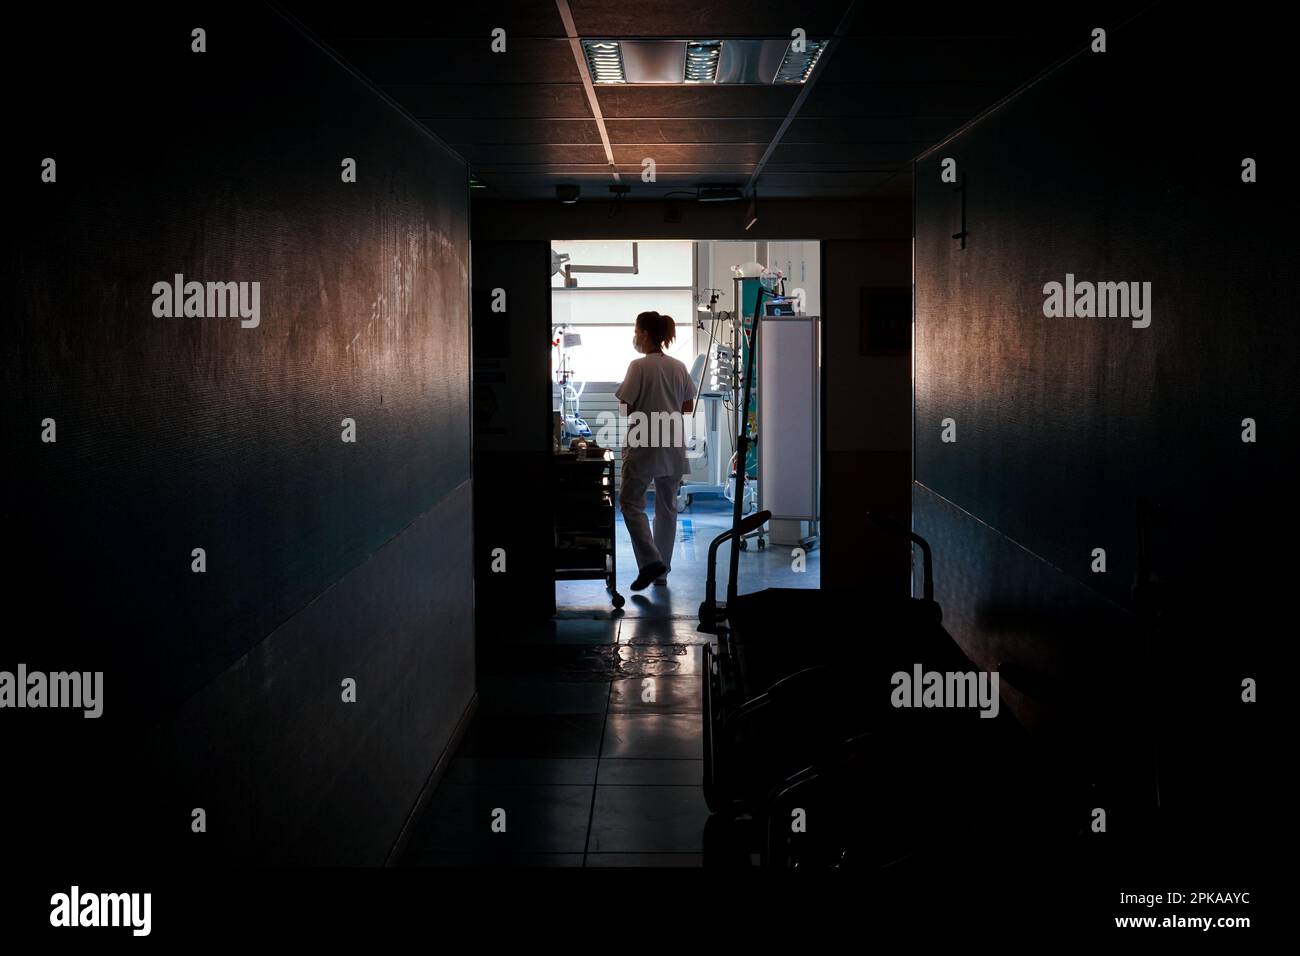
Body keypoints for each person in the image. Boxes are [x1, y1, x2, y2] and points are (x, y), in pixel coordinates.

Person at [615, 311, 695, 591]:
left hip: (644, 443)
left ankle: (650, 561)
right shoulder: (679, 366)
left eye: (636, 330)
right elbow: (688, 407)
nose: (635, 336)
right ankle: (661, 572)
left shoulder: (638, 366)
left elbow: (625, 407)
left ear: (646, 333)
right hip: (672, 442)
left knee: (630, 503)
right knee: (667, 507)